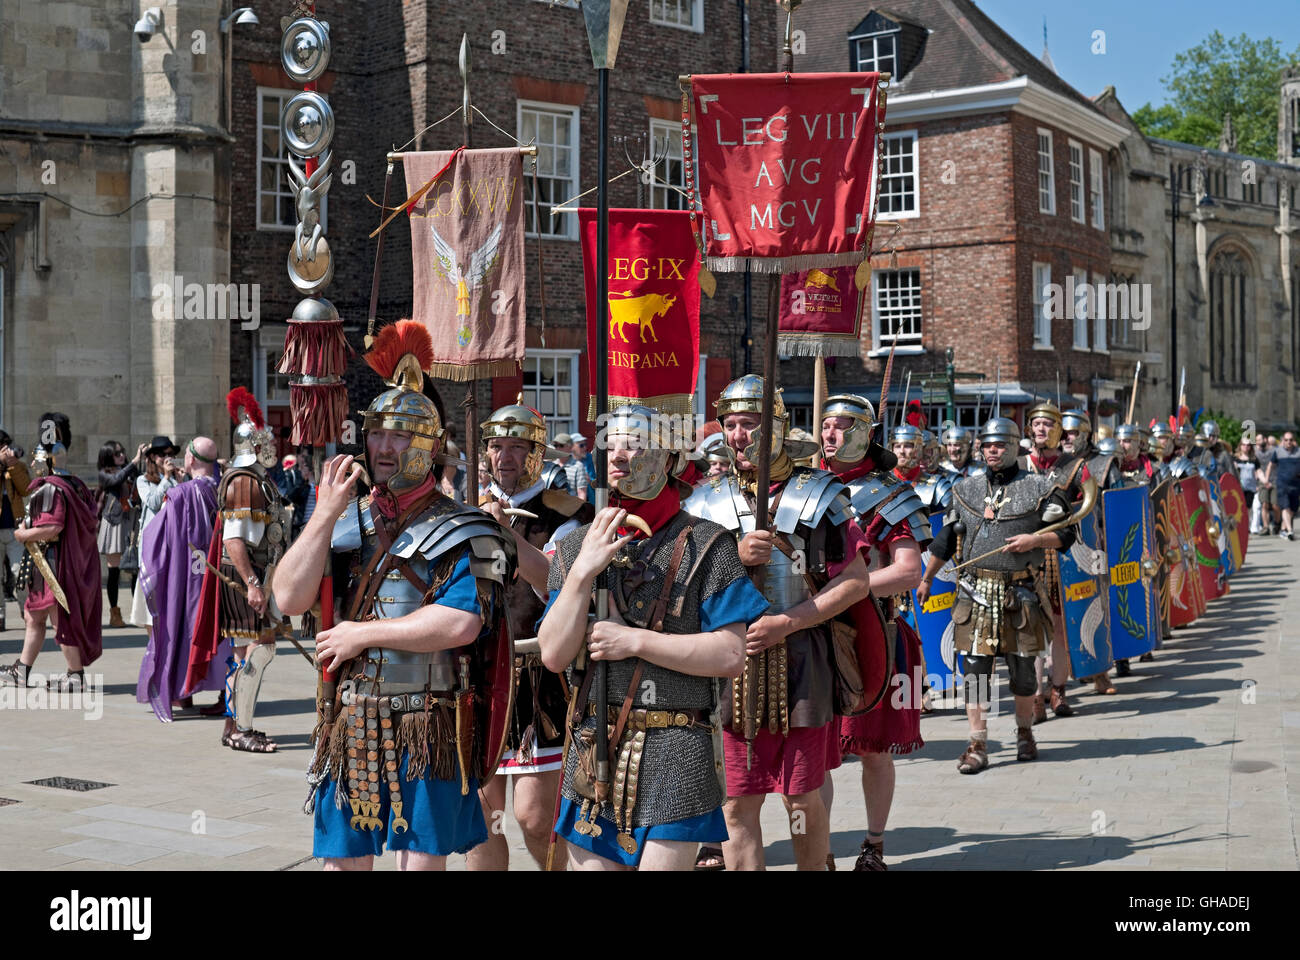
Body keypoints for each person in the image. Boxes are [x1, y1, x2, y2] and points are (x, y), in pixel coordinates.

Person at [275, 320, 517, 871]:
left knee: (420, 862)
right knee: (342, 861)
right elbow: (288, 598)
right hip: (352, 716)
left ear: (427, 446)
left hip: (426, 718)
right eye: (378, 434)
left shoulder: (465, 526)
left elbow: (461, 623)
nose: (384, 448)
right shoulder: (346, 518)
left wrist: (363, 633)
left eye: (400, 435)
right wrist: (323, 517)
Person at [540, 403, 767, 871]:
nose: (619, 455)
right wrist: (583, 572)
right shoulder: (575, 544)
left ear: (668, 461)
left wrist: (635, 642)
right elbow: (553, 654)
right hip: (594, 747)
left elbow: (729, 654)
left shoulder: (709, 543)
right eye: (612, 444)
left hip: (676, 745)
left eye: (635, 444)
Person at [684, 375, 871, 871]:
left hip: (801, 662)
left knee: (801, 802)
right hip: (730, 669)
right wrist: (731, 557)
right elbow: (685, 592)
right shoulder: (703, 502)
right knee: (736, 805)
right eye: (731, 425)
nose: (739, 435)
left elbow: (855, 583)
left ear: (778, 427)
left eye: (750, 424)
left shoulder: (821, 495)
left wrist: (788, 622)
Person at [467, 400, 592, 871]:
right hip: (478, 671)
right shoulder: (465, 508)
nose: (505, 458)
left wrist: (506, 533)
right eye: (496, 447)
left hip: (540, 675)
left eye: (516, 447)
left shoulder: (567, 514)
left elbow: (555, 583)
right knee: (482, 816)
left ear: (536, 453)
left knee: (535, 817)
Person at [917, 416, 1078, 773]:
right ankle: (977, 744)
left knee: (1022, 673)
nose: (993, 450)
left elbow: (1067, 535)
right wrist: (927, 578)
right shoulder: (966, 490)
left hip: (1020, 594)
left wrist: (1036, 539)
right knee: (975, 674)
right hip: (974, 593)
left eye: (1000, 444)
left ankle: (1024, 733)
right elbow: (945, 540)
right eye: (988, 444)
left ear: (1014, 447)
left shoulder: (1038, 487)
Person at [821, 394, 928, 871]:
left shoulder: (890, 493)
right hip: (807, 632)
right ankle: (816, 848)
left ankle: (873, 844)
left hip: (870, 633)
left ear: (864, 432)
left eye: (841, 425)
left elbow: (908, 570)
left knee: (873, 750)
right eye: (824, 424)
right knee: (814, 746)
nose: (829, 433)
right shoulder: (806, 486)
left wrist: (844, 592)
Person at [187, 388, 291, 753]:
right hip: (246, 581)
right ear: (255, 446)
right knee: (256, 652)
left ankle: (237, 726)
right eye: (266, 442)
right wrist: (252, 584)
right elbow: (233, 540)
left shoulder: (256, 478)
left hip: (258, 578)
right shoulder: (245, 481)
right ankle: (239, 729)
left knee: (250, 653)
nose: (273, 447)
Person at [136, 437, 227, 720]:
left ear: (189, 460)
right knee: (224, 632)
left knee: (183, 627)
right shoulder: (229, 489)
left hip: (188, 576)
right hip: (224, 576)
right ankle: (228, 693)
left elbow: (156, 535)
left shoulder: (180, 495)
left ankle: (183, 691)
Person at [0, 444, 102, 690]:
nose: (33, 465)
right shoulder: (74, 484)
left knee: (59, 619)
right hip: (59, 560)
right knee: (33, 616)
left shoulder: (50, 487)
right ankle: (22, 670)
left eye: (37, 460)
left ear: (49, 461)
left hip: (51, 562)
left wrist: (23, 534)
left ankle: (75, 675)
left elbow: (52, 527)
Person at [1019, 400, 1080, 721]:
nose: (1041, 429)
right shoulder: (1018, 464)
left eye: (1048, 424)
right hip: (1025, 554)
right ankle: (1036, 695)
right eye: (1037, 424)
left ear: (1058, 430)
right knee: (1030, 629)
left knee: (1058, 628)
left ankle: (1058, 691)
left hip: (1061, 554)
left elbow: (1086, 512)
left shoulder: (1073, 467)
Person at [129, 437, 181, 638]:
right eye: (162, 454)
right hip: (153, 545)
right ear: (151, 457)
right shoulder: (143, 480)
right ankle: (154, 642)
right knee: (151, 598)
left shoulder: (177, 478)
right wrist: (167, 479)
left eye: (170, 454)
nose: (167, 458)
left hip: (173, 543)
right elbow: (152, 502)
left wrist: (181, 479)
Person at [97, 439, 149, 628]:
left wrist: (143, 459)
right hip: (114, 522)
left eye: (122, 452)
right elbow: (115, 480)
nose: (120, 455)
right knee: (114, 570)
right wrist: (133, 461)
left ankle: (138, 613)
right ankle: (114, 613)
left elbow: (142, 481)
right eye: (116, 453)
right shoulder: (104, 474)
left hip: (132, 521)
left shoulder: (131, 470)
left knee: (135, 567)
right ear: (107, 456)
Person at [0, 428, 31, 629]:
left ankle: (26, 610)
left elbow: (27, 488)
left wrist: (13, 467)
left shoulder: (15, 467)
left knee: (21, 572)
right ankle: (0, 616)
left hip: (15, 528)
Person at [1273, 431, 1300, 540]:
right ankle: (1290, 531)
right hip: (1282, 484)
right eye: (1286, 440)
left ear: (1294, 441)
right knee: (1285, 507)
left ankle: (1283, 530)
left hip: (1296, 485)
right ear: (1283, 441)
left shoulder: (1299, 452)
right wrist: (1266, 479)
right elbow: (1271, 465)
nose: (1288, 442)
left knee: (1293, 509)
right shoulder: (1278, 451)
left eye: (1291, 440)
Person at [1254, 435, 1276, 534]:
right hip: (1262, 482)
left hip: (1274, 480)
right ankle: (1266, 527)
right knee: (1264, 504)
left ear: (1265, 439)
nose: (1258, 442)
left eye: (1260, 440)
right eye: (1257, 440)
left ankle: (1277, 523)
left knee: (1275, 505)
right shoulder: (1255, 453)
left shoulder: (1274, 451)